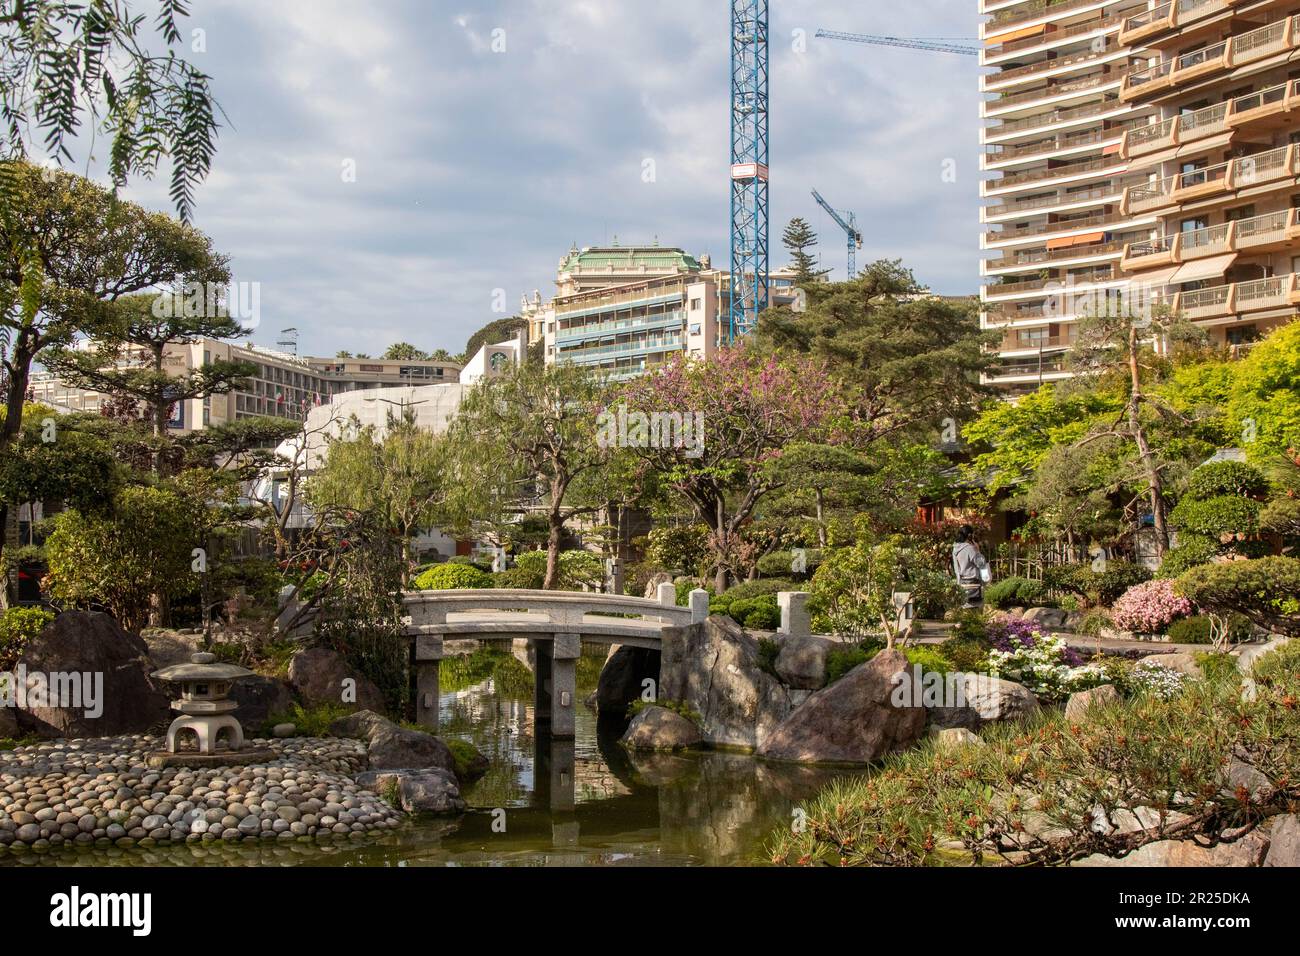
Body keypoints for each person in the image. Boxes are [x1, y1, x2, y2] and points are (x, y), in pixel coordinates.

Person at [952, 525, 990, 609]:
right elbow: (981, 563)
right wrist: (978, 550)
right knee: (975, 611)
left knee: (965, 611)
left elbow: (956, 568)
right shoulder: (970, 549)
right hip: (973, 584)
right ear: (969, 535)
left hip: (962, 583)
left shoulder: (955, 549)